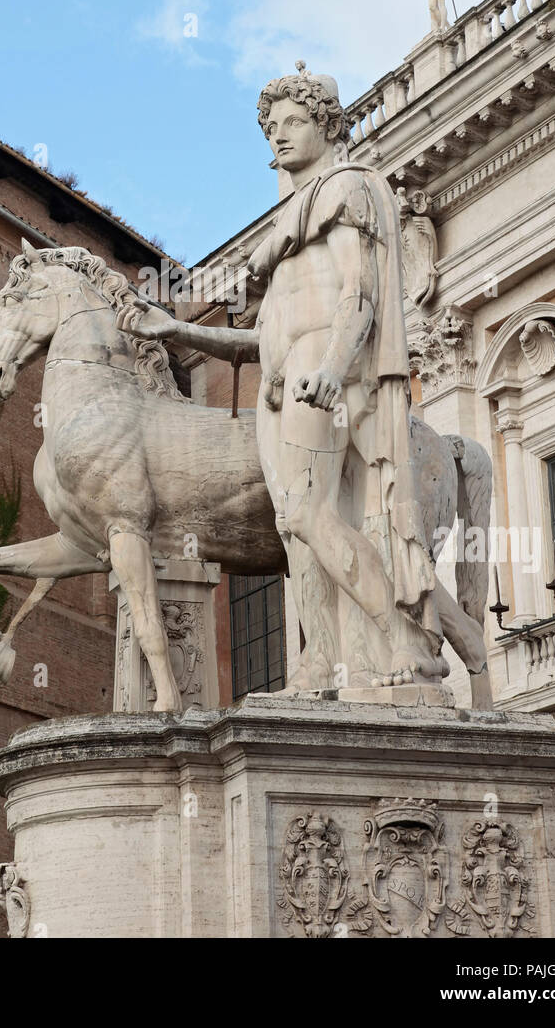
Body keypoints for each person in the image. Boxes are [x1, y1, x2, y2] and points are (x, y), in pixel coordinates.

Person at [120, 63, 447, 691]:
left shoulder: (344, 192)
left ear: (327, 124)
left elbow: (361, 294)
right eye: (271, 127)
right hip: (295, 374)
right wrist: (181, 333)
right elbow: (265, 342)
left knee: (306, 514)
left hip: (329, 370)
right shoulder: (289, 232)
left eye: (293, 122)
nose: (279, 137)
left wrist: (331, 368)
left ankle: (403, 639)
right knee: (300, 526)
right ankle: (334, 657)